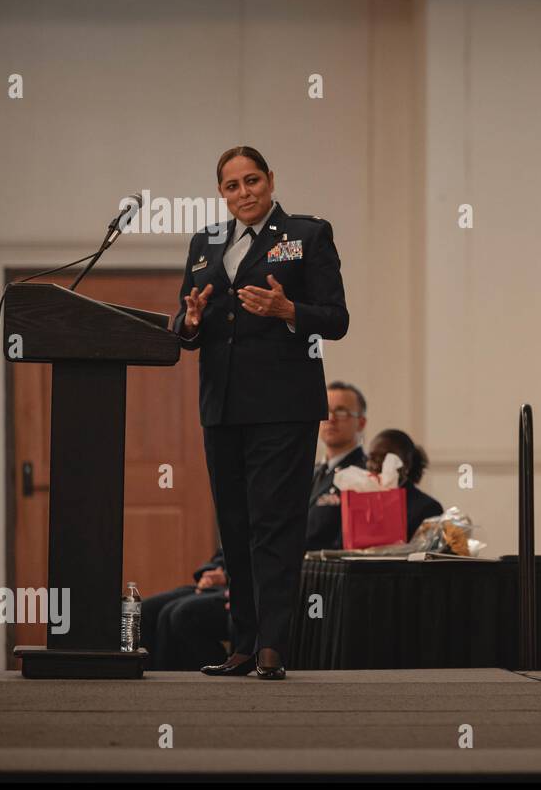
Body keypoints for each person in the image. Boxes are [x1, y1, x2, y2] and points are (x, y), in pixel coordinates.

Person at [171, 145, 349, 680]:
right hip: (222, 407)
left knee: (274, 524)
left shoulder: (306, 235)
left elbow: (337, 318)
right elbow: (187, 327)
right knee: (236, 525)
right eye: (232, 186)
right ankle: (242, 645)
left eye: (252, 181)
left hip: (282, 405)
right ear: (221, 192)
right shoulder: (205, 242)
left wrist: (288, 309)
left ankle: (273, 646)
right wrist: (192, 320)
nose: (244, 193)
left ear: (270, 180)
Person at [140, 549, 230, 671]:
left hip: (243, 587)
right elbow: (228, 551)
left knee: (178, 613)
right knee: (145, 609)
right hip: (220, 583)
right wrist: (211, 573)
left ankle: (217, 669)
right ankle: (148, 677)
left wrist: (226, 576)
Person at [305, 381, 369, 551]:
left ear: (361, 423)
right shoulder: (308, 473)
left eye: (341, 411)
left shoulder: (367, 475)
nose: (331, 418)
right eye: (325, 410)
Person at [366, 428, 443, 541]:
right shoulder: (361, 500)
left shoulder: (428, 508)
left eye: (385, 459)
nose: (375, 466)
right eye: (372, 458)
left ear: (406, 464)